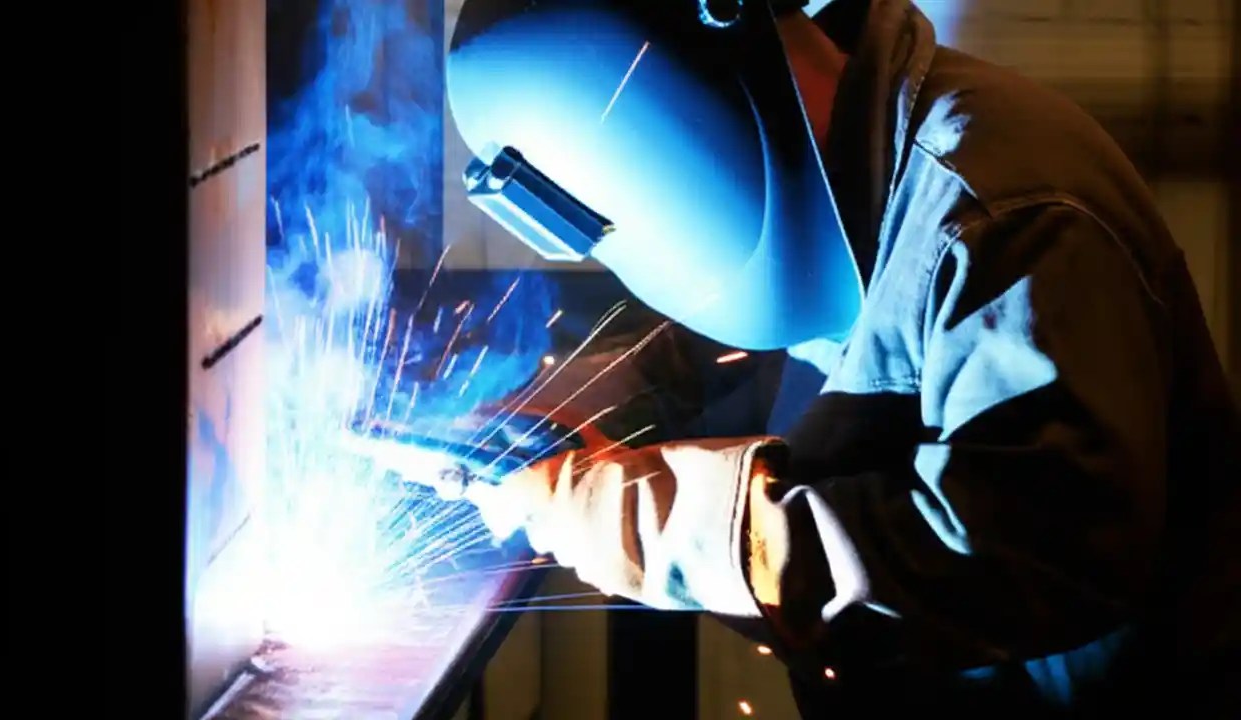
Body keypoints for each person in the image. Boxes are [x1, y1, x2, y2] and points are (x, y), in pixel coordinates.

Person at [445, 0, 1240, 715]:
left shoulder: (1008, 213)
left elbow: (1016, 556)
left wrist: (623, 515)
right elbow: (754, 319)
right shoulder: (833, 177)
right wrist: (603, 394)